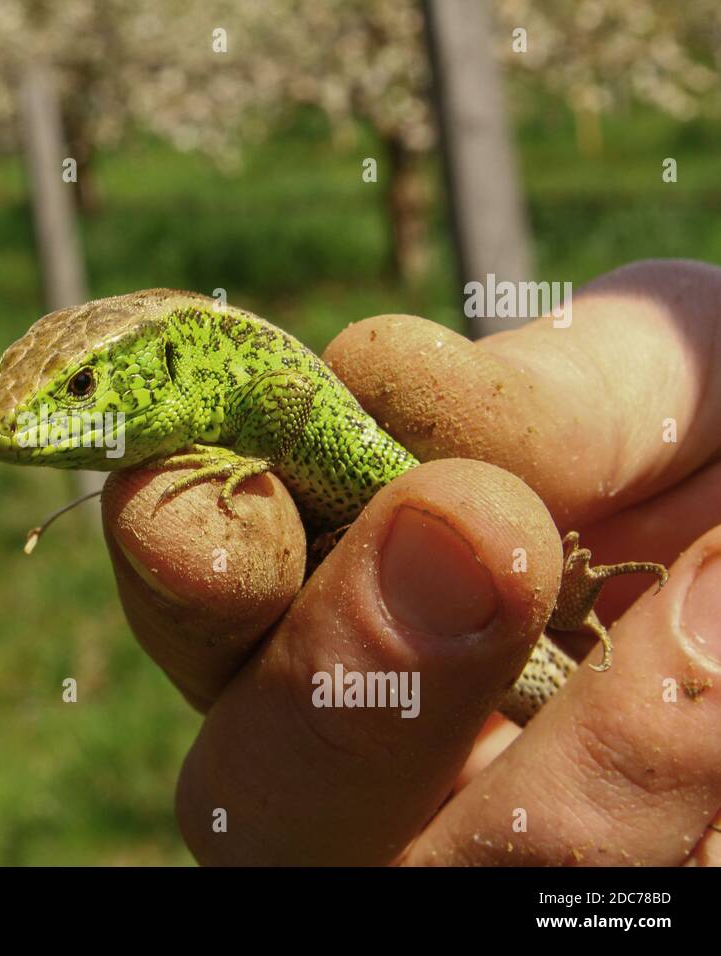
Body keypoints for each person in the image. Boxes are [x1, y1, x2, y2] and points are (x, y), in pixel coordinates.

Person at [99, 259, 721, 865]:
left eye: (82, 389)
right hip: (454, 631)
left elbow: (288, 402)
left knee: (498, 570)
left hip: (482, 585)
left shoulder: (245, 381)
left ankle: (571, 600)